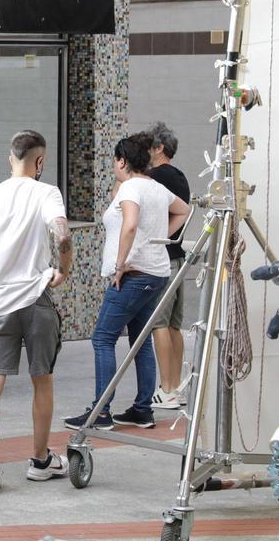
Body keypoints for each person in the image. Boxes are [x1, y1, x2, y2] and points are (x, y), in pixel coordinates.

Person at [0, 130, 72, 494]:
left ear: (10, 158)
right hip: (36, 297)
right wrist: (63, 270)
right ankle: (41, 460)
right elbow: (63, 235)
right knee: (41, 379)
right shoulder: (47, 192)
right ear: (40, 162)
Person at [64, 134, 190, 432]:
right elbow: (183, 210)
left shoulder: (132, 187)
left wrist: (121, 263)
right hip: (156, 273)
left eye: (115, 160)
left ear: (122, 161)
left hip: (133, 275)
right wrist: (158, 240)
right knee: (141, 339)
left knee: (102, 339)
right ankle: (142, 410)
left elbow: (130, 224)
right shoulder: (155, 187)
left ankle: (101, 411)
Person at [146, 122, 191, 409]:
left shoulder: (153, 178)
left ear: (160, 148)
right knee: (174, 326)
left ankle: (166, 387)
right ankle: (176, 388)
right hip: (179, 256)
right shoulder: (181, 176)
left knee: (158, 324)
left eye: (150, 146)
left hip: (162, 258)